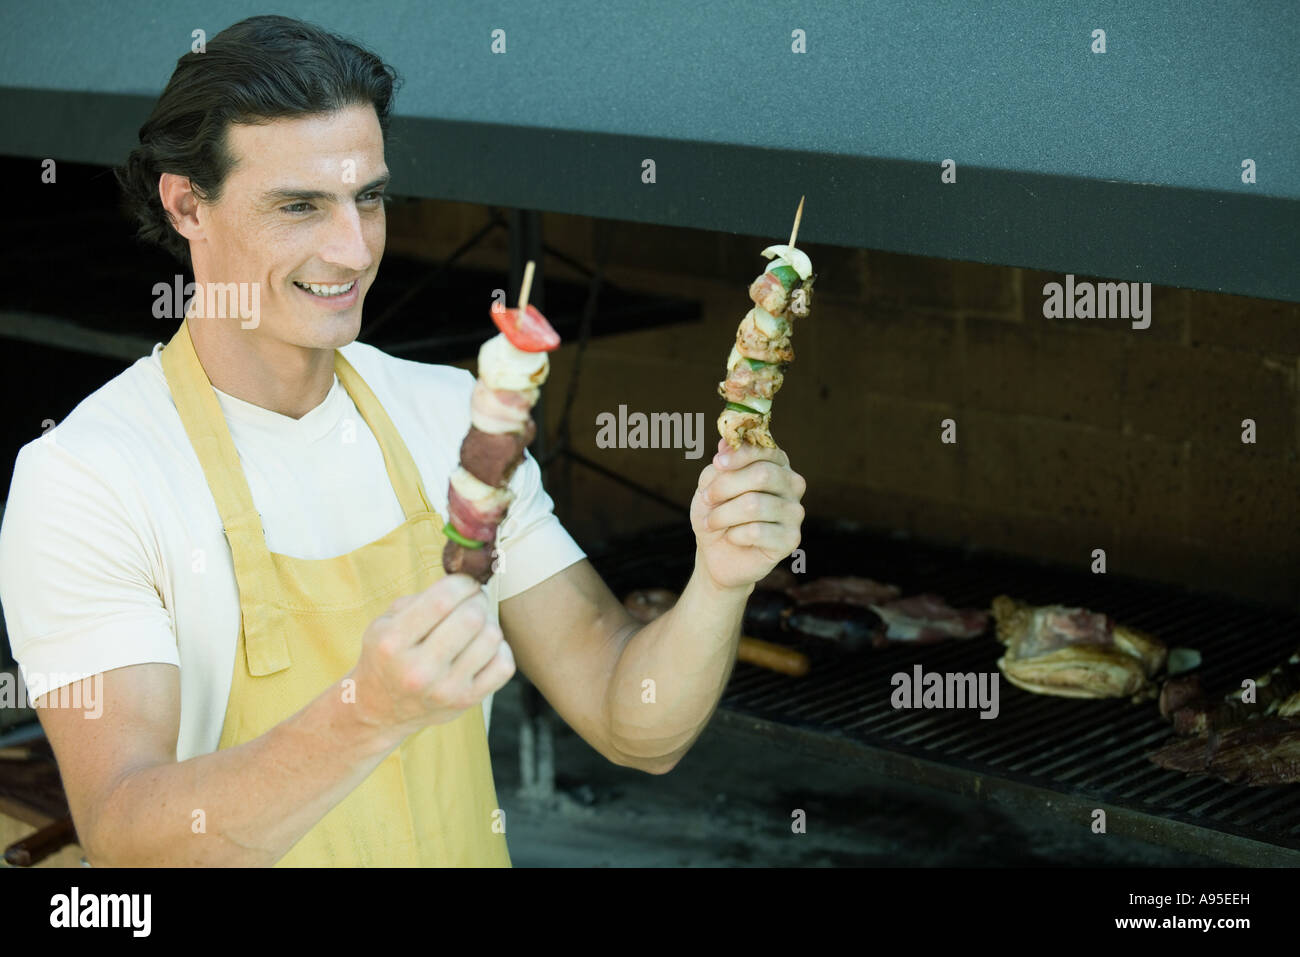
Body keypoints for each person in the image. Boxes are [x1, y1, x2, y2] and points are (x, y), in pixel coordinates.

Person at [0, 14, 805, 867]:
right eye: (300, 205)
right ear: (186, 203)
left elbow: (633, 719)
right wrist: (367, 711)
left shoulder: (453, 416)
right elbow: (128, 836)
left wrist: (719, 579)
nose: (353, 249)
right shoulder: (88, 478)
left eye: (370, 197)